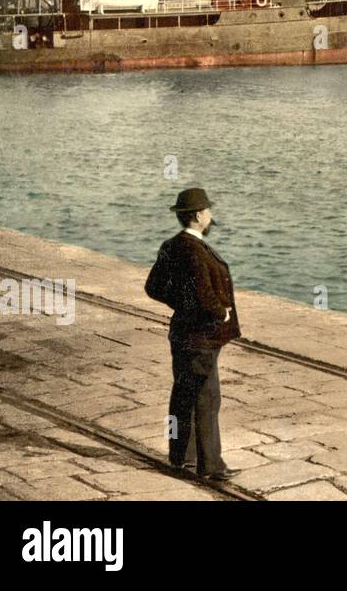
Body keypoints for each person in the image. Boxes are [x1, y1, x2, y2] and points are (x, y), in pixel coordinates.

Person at [144, 187, 241, 481]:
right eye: (208, 211)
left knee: (183, 393)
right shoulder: (196, 251)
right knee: (207, 398)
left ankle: (181, 456)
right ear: (199, 216)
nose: (211, 216)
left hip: (182, 333)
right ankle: (210, 465)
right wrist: (219, 312)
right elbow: (204, 293)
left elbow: (154, 287)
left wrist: (183, 306)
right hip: (202, 337)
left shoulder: (172, 245)